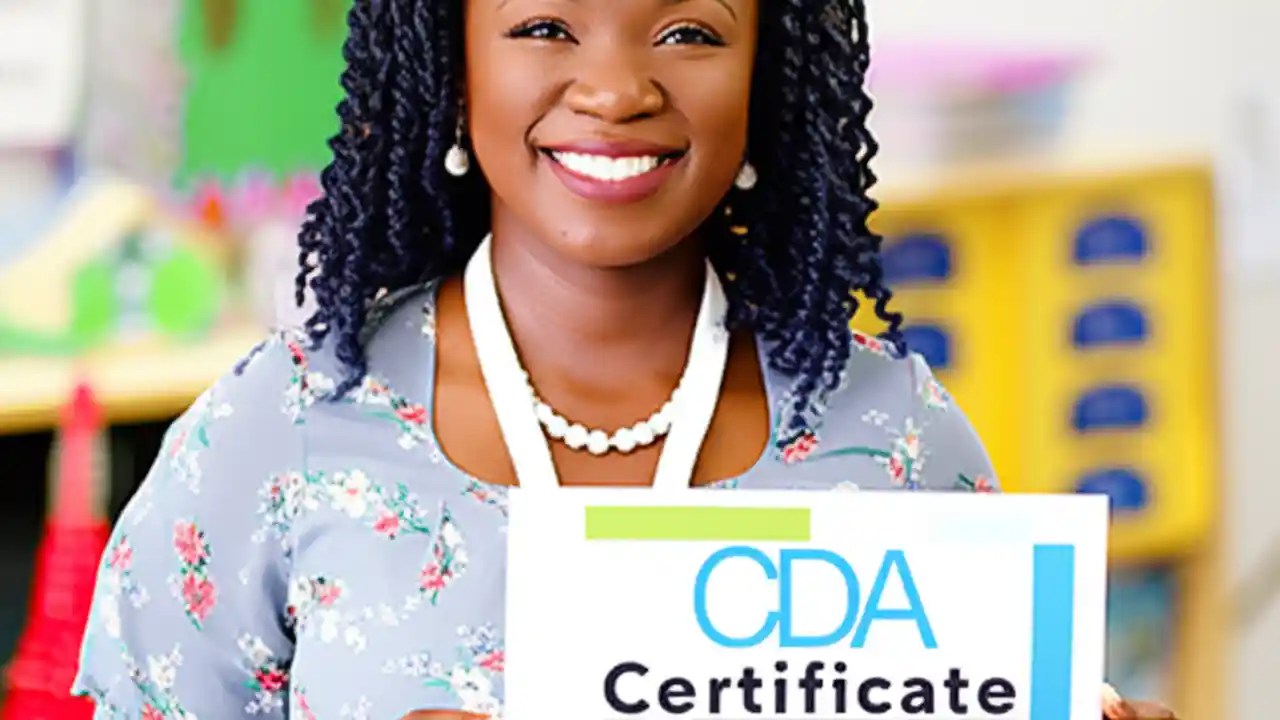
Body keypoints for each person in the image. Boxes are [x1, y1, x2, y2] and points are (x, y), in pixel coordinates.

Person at [73, 0, 1177, 718]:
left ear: (768, 73)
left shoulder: (890, 438)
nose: (614, 91)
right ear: (450, 59)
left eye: (688, 31)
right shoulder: (291, 423)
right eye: (545, 25)